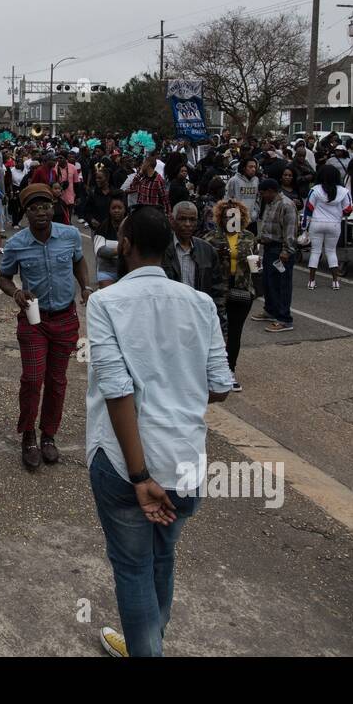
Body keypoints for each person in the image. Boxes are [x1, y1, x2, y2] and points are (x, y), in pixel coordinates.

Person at [86, 206, 232, 657]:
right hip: (184, 462)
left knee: (133, 569)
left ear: (124, 245)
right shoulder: (201, 303)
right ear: (169, 247)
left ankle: (145, 647)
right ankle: (149, 641)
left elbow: (116, 391)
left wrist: (139, 476)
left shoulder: (105, 302)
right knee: (162, 557)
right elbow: (220, 388)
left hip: (122, 464)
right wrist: (177, 390)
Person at [0, 182, 90, 471]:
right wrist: (15, 293)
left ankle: (48, 435)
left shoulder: (70, 235)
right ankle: (28, 436)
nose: (41, 212)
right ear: (25, 212)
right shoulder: (16, 244)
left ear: (54, 208)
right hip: (34, 320)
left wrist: (85, 287)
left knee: (57, 381)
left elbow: (79, 263)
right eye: (34, 208)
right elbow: (4, 277)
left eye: (46, 206)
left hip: (65, 319)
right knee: (33, 379)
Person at [206, 199, 259, 390]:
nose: (231, 217)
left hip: (242, 291)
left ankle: (230, 370)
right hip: (219, 292)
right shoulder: (211, 238)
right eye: (228, 214)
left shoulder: (249, 237)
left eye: (235, 214)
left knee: (235, 333)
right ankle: (213, 369)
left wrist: (256, 264)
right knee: (218, 332)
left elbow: (256, 266)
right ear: (221, 217)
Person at [254, 178, 297, 333]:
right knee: (268, 282)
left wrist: (287, 250)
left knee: (282, 285)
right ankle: (270, 310)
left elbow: (290, 230)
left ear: (271, 191)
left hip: (280, 250)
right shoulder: (271, 203)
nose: (262, 196)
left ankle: (285, 319)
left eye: (263, 193)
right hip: (269, 248)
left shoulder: (286, 204)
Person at [162, 200, 223, 306]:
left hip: (199, 312)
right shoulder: (161, 249)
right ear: (172, 220)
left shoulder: (207, 250)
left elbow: (216, 290)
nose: (187, 224)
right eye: (182, 219)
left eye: (192, 220)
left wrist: (219, 320)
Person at [304, 164, 353, 290]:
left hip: (316, 223)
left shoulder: (315, 190)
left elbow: (308, 209)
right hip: (335, 224)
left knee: (315, 251)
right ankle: (335, 282)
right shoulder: (343, 191)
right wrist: (338, 215)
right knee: (331, 252)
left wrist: (304, 227)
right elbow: (348, 210)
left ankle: (311, 282)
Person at [93, 198, 128, 288]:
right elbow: (101, 251)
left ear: (125, 209)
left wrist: (113, 252)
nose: (116, 210)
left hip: (127, 272)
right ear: (109, 210)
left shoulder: (131, 227)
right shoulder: (102, 228)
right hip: (106, 272)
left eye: (120, 208)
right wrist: (121, 249)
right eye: (113, 208)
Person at [226, 157, 260, 231]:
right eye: (250, 167)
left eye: (255, 167)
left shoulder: (256, 180)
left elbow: (257, 199)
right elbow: (227, 199)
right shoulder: (234, 180)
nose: (253, 169)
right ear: (244, 168)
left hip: (251, 219)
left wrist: (255, 213)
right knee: (235, 241)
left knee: (251, 240)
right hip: (236, 220)